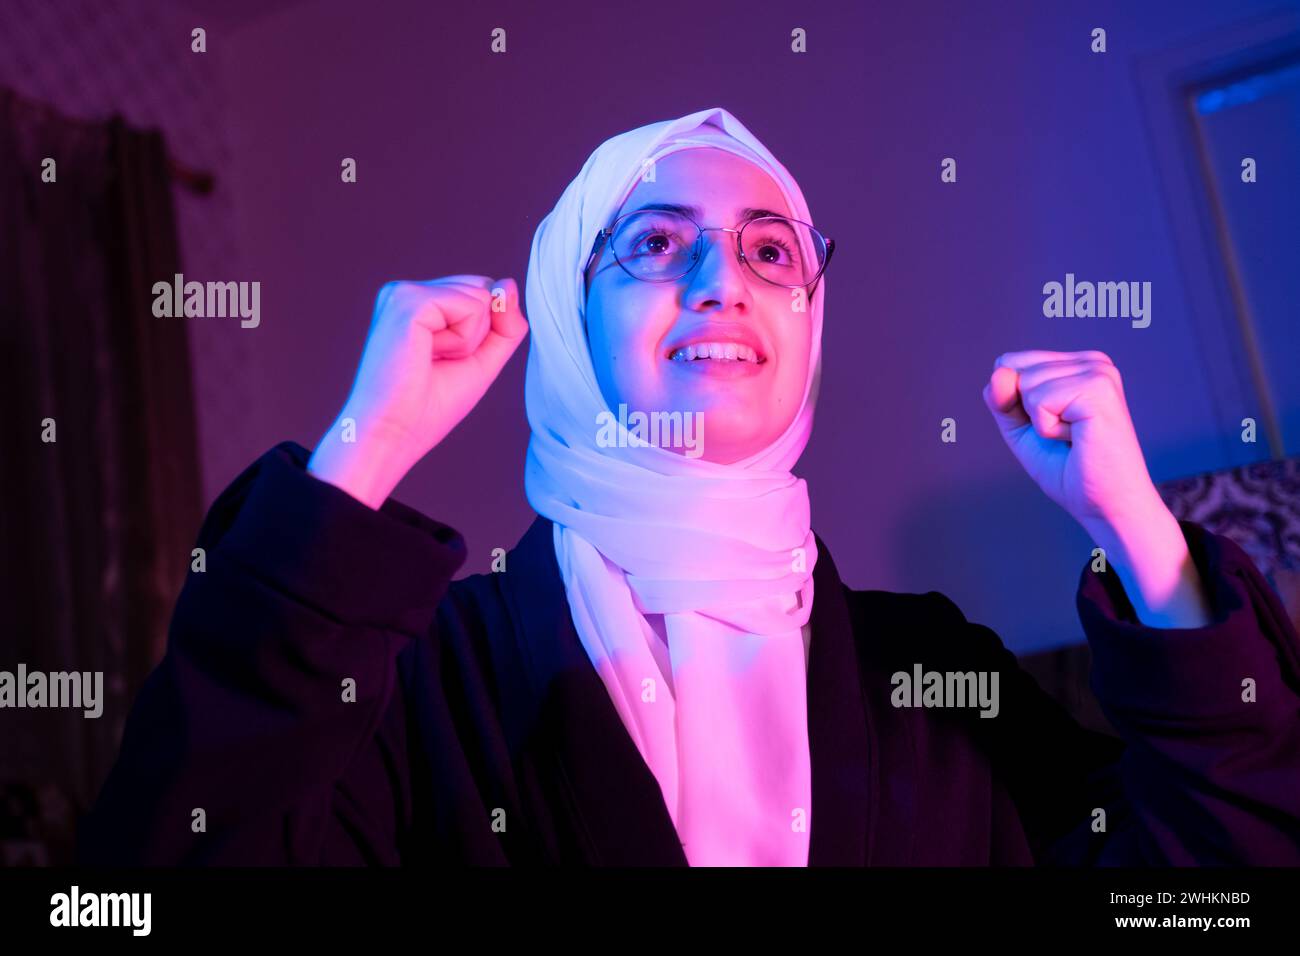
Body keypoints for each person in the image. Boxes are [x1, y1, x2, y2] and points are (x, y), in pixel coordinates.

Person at [78, 107, 1300, 866]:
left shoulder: (931, 669)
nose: (721, 278)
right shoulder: (427, 678)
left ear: (810, 322)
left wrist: (1136, 529)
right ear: (567, 309)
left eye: (771, 250)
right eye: (656, 244)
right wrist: (363, 448)